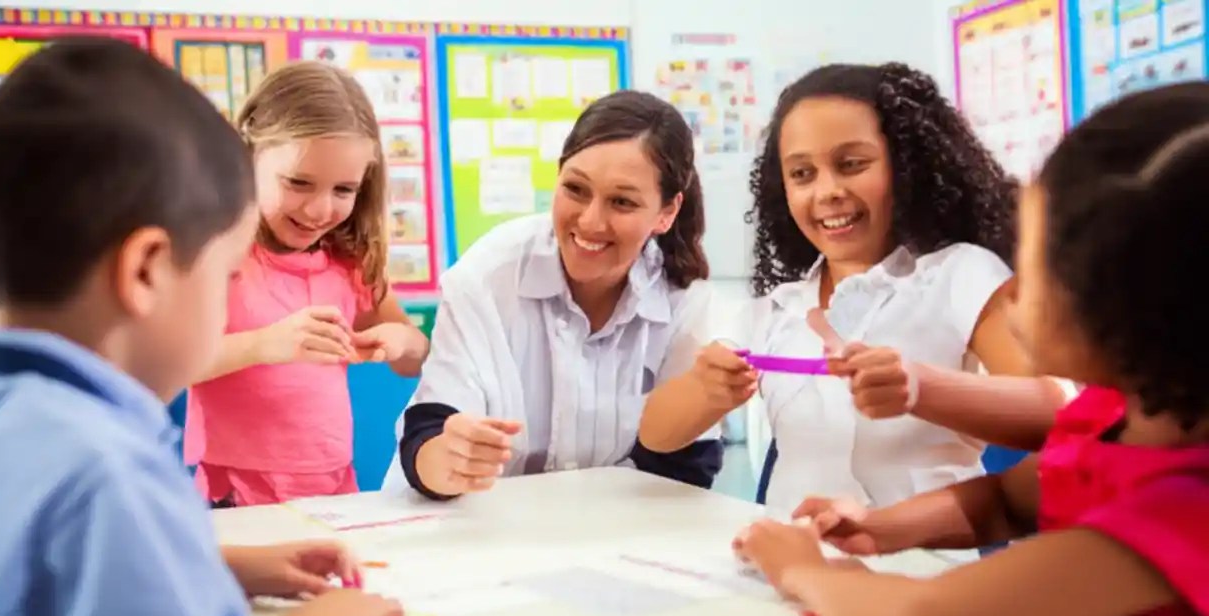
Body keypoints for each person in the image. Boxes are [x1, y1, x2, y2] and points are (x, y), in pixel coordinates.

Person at [0, 38, 406, 616]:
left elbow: (38, 580)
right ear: (146, 271)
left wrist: (228, 566)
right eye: (222, 273)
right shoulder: (101, 468)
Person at [735, 82, 1209, 616]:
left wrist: (802, 571)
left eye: (1033, 262)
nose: (1012, 293)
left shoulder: (1184, 504)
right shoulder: (1106, 423)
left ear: (1129, 299)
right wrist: (879, 528)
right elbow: (1003, 502)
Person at [640, 63, 1066, 514]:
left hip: (927, 568)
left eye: (852, 165)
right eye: (802, 174)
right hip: (795, 569)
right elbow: (656, 434)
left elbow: (1055, 414)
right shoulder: (777, 310)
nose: (828, 191)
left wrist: (924, 389)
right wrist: (706, 390)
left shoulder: (961, 275)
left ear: (907, 167)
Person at [387, 90, 720, 499]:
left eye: (622, 202)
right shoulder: (488, 277)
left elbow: (686, 465)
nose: (591, 220)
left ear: (667, 212)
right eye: (576, 189)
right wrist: (450, 459)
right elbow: (430, 429)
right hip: (472, 530)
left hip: (614, 538)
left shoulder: (684, 298)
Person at [185, 61, 430, 507]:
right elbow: (174, 363)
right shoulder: (217, 254)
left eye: (343, 190)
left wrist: (404, 342)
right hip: (235, 492)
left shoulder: (350, 262)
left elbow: (415, 359)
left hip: (334, 485)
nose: (320, 210)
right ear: (247, 154)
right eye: (298, 183)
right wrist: (264, 344)